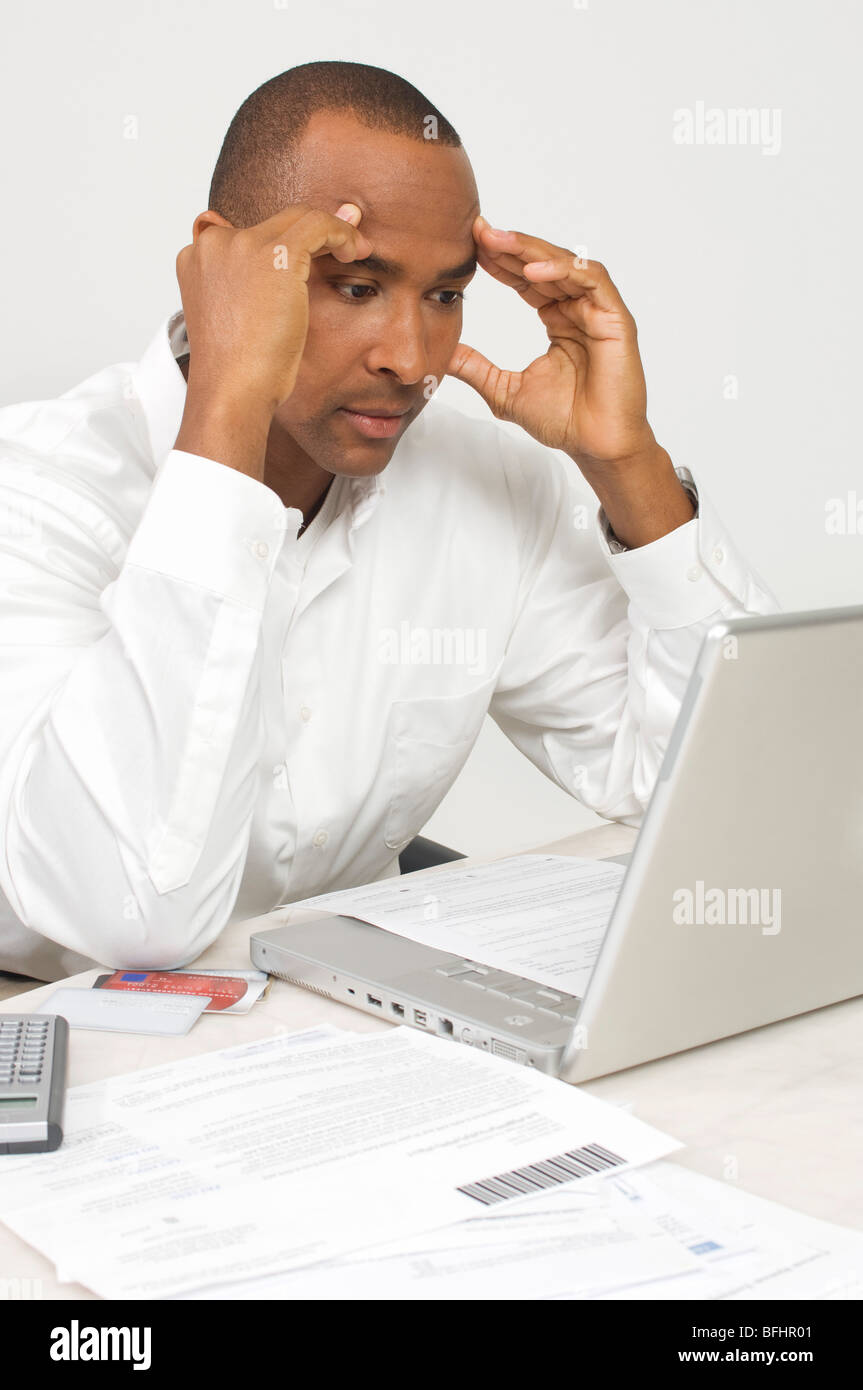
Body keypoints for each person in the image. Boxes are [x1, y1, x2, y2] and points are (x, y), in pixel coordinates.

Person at [0, 61, 778, 980]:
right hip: (59, 1029)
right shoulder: (39, 490)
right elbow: (129, 915)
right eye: (357, 286)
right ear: (222, 264)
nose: (412, 361)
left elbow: (727, 794)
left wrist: (629, 466)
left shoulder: (483, 479)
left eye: (445, 295)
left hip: (349, 1016)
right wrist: (228, 408)